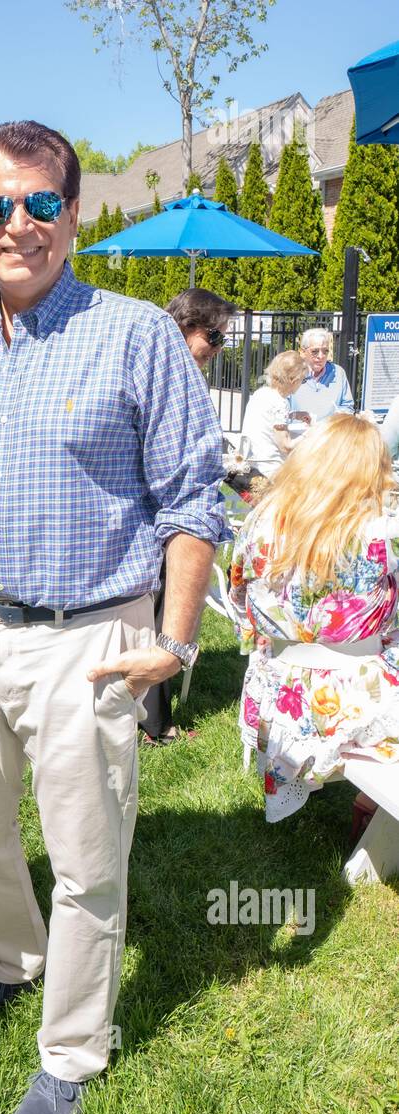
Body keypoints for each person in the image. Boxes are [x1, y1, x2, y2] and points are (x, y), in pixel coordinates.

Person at [0, 121, 227, 1114]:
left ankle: (69, 1052)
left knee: (87, 862)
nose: (19, 225)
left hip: (88, 639)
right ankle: (11, 962)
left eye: (39, 203)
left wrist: (172, 645)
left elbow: (192, 502)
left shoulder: (136, 335)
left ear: (74, 213)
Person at [229, 414, 399, 831]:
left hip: (278, 691)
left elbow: (240, 604)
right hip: (363, 696)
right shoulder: (384, 529)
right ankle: (368, 804)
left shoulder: (260, 523)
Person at [141, 287, 237, 744]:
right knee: (158, 621)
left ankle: (152, 718)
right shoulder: (164, 373)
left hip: (167, 518)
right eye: (214, 336)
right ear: (184, 327)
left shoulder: (185, 374)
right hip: (154, 522)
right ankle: (155, 725)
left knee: (159, 618)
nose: (217, 349)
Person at [240, 350, 308, 479]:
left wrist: (294, 415)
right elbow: (286, 446)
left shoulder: (262, 393)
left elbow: (268, 418)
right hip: (269, 469)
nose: (301, 384)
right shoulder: (280, 403)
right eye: (303, 380)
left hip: (250, 462)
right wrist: (308, 434)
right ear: (294, 380)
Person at [288, 327, 354, 423]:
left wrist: (338, 418)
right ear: (303, 352)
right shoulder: (292, 373)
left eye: (325, 351)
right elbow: (280, 410)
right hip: (299, 434)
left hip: (329, 433)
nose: (321, 356)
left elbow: (348, 406)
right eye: (315, 351)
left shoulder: (338, 373)